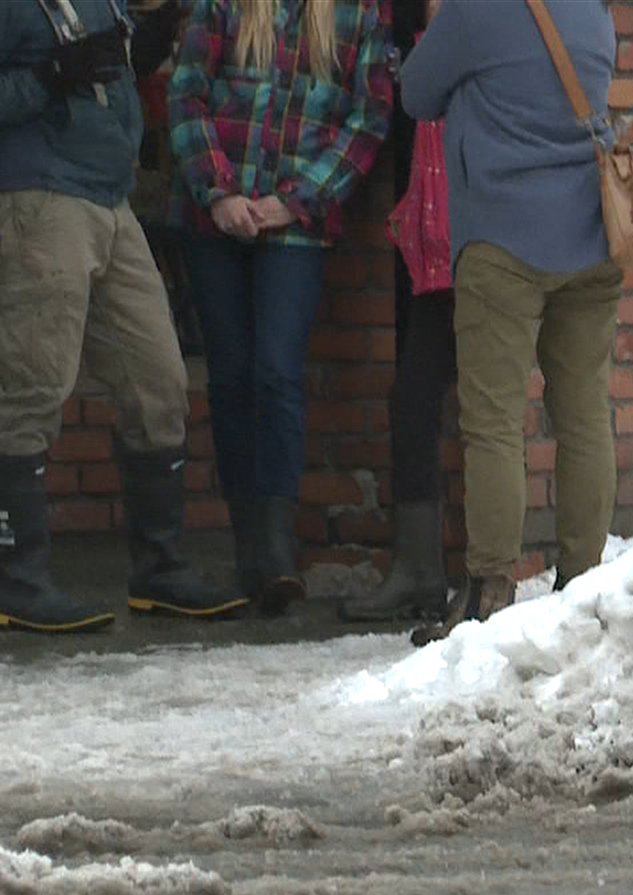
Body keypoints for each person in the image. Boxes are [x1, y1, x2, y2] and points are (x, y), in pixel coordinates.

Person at [0, 0, 245, 633]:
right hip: (38, 196)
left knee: (158, 380)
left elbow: (105, 72)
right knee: (31, 386)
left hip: (111, 199)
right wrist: (49, 76)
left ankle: (159, 571)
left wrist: (146, 43)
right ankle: (16, 580)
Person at [400, 0, 625, 638]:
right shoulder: (595, 13)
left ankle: (490, 593)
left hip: (503, 239)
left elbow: (416, 92)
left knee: (495, 421)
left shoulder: (477, 10)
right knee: (585, 414)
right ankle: (582, 586)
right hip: (592, 237)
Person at [167, 0, 392, 615]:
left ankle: (275, 551)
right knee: (231, 376)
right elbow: (186, 93)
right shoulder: (224, 5)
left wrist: (298, 201)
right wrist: (218, 192)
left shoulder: (357, 14)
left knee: (277, 372)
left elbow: (368, 120)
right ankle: (250, 547)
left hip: (296, 226)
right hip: (215, 218)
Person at [339, 0, 454, 623]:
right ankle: (423, 571)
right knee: (415, 396)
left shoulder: (470, 21)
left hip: (467, 234)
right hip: (427, 233)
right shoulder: (399, 21)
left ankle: (451, 573)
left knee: (446, 400)